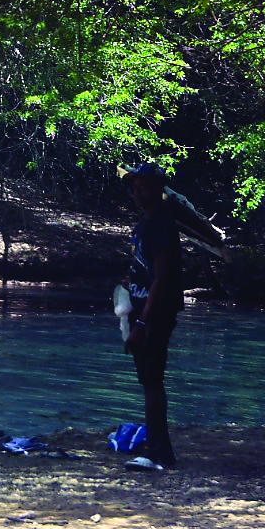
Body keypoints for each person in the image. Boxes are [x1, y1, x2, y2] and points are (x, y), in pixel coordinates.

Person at [119, 163, 184, 469]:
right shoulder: (143, 225)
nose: (136, 191)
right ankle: (161, 450)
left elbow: (162, 278)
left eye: (143, 186)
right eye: (134, 186)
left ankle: (156, 451)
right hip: (141, 310)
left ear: (158, 189)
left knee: (153, 382)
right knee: (148, 380)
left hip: (155, 314)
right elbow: (142, 269)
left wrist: (143, 323)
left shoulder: (162, 225)